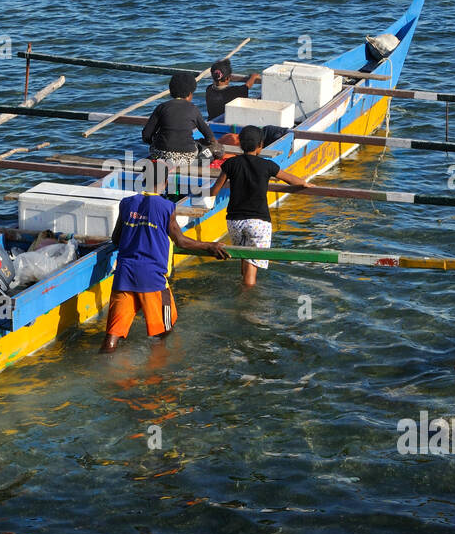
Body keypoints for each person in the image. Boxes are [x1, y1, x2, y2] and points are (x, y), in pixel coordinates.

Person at [100, 176, 228, 353]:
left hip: (124, 274)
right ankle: (156, 372)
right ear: (166, 182)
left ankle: (107, 366)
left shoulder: (126, 203)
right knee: (164, 330)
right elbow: (181, 241)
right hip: (153, 278)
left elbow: (116, 239)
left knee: (113, 334)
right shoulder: (166, 207)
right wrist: (209, 246)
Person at [210, 124, 308, 287]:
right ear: (260, 145)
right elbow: (290, 179)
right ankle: (247, 304)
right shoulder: (267, 165)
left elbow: (214, 190)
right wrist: (305, 183)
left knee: (245, 259)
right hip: (258, 223)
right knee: (251, 272)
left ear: (240, 144)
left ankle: (244, 288)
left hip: (235, 222)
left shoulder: (231, 164)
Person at [142, 70, 218, 175]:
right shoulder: (193, 109)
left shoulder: (162, 107)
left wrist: (157, 142)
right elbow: (210, 138)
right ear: (190, 93)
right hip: (187, 158)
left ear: (171, 91)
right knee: (216, 149)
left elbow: (146, 135)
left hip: (161, 155)